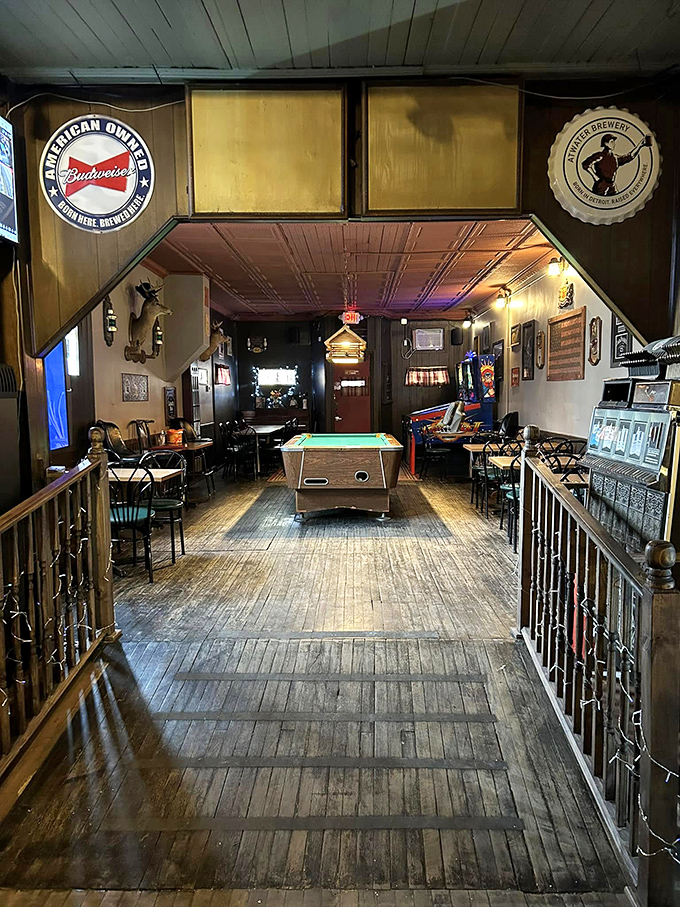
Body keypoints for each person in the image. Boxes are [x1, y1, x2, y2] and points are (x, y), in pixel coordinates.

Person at [581, 132, 652, 196]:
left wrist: (639, 146)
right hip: (601, 186)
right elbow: (585, 164)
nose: (614, 144)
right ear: (606, 143)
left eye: (614, 142)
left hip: (612, 186)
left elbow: (629, 156)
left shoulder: (615, 158)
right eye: (611, 142)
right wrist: (595, 177)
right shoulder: (600, 156)